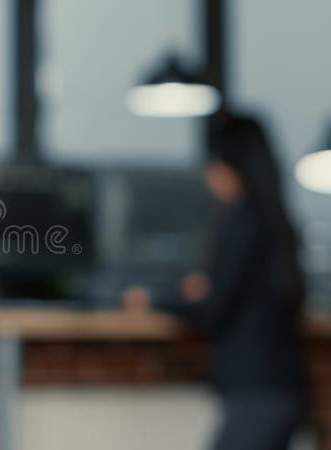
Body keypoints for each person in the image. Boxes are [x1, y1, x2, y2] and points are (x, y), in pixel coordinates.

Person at [124, 114, 308, 450]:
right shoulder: (271, 220)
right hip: (277, 388)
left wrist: (154, 300)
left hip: (258, 392)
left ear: (228, 167)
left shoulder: (243, 223)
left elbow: (212, 308)